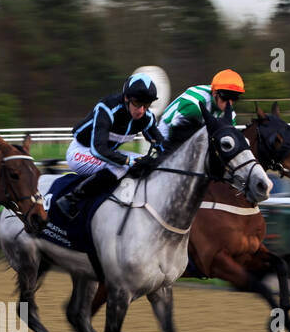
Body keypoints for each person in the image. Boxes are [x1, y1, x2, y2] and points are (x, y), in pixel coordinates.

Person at [54, 72, 165, 220]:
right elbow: (98, 150)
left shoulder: (146, 118)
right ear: (126, 98)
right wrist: (129, 161)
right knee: (124, 165)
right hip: (82, 152)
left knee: (145, 163)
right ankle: (71, 199)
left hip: (106, 153)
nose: (141, 111)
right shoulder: (107, 107)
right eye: (137, 103)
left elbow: (161, 145)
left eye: (146, 105)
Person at [157, 69, 244, 152]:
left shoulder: (228, 109)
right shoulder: (194, 105)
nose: (229, 104)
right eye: (226, 99)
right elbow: (176, 134)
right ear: (214, 93)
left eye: (234, 99)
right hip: (168, 133)